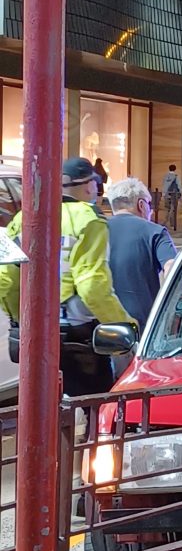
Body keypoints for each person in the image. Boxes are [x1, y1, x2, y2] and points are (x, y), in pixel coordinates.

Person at [0, 157, 135, 396]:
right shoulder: (88, 218)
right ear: (88, 186)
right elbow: (92, 285)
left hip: (35, 331)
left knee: (44, 401)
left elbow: (7, 280)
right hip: (77, 334)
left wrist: (21, 321)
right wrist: (124, 324)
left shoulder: (22, 219)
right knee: (93, 402)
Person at [106, 177, 177, 333]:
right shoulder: (155, 231)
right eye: (149, 205)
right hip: (143, 323)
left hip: (103, 322)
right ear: (141, 204)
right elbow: (171, 267)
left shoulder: (97, 230)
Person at [162, 164, 182, 230]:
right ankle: (172, 223)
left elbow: (164, 185)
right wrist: (181, 194)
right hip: (174, 195)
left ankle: (165, 221)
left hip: (166, 194)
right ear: (175, 169)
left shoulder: (165, 176)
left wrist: (163, 194)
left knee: (167, 209)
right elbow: (179, 185)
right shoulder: (176, 176)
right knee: (173, 209)